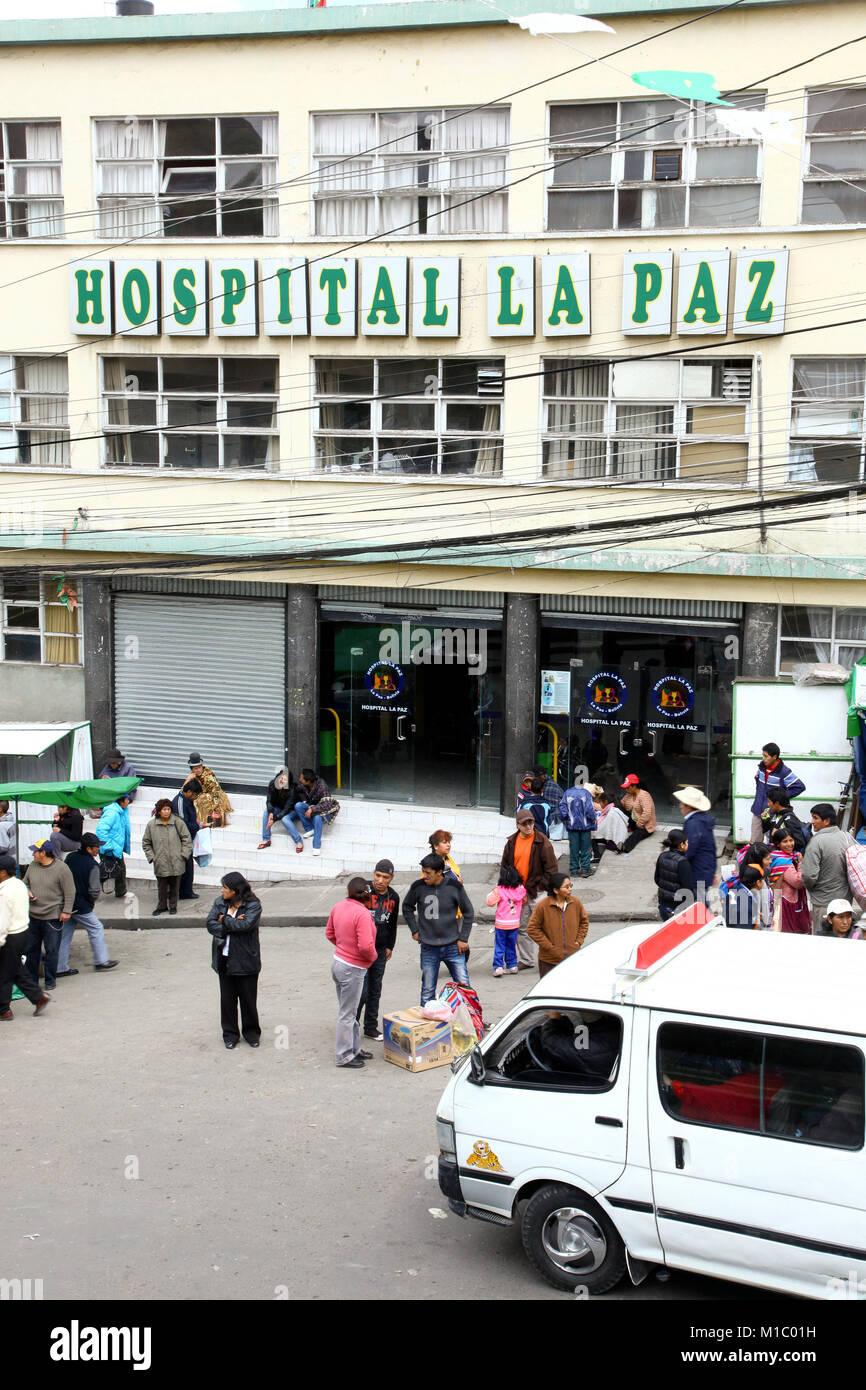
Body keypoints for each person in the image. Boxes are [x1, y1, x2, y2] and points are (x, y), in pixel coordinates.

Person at [403, 854, 475, 1006]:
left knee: (465, 989)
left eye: (428, 873)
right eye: (423, 871)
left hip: (453, 946)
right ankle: (427, 1027)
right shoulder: (418, 886)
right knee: (427, 992)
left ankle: (472, 1022)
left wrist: (463, 939)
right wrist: (414, 930)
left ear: (439, 872)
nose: (425, 876)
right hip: (428, 947)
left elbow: (468, 912)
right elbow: (407, 907)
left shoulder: (454, 887)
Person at [206, 872, 262, 1049]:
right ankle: (230, 1034)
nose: (222, 890)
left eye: (225, 888)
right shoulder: (220, 902)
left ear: (235, 891)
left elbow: (246, 926)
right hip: (224, 959)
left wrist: (225, 920)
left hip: (246, 959)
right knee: (227, 1000)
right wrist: (230, 924)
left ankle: (251, 1033)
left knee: (248, 999)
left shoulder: (253, 905)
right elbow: (210, 923)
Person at [325, 878, 377, 1068]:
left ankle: (354, 1048)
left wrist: (343, 947)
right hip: (352, 967)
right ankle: (344, 1055)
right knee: (348, 1013)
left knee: (350, 1010)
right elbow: (365, 945)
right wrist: (371, 958)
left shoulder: (339, 906)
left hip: (338, 962)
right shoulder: (362, 914)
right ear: (367, 894)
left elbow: (330, 933)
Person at [499, 810, 559, 971]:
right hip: (518, 893)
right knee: (521, 927)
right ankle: (526, 959)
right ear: (518, 825)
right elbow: (505, 867)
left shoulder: (542, 842)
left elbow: (552, 870)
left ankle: (553, 957)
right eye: (524, 823)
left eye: (531, 822)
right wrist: (509, 888)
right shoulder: (512, 842)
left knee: (546, 926)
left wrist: (540, 887)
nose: (528, 826)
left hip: (538, 892)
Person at [56, 832, 119, 976]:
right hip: (81, 904)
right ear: (89, 849)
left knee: (65, 934)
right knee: (96, 928)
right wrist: (91, 902)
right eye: (96, 847)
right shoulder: (93, 865)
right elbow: (95, 890)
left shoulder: (70, 858)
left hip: (67, 902)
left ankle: (60, 967)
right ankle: (101, 961)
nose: (98, 849)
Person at [0, 854, 51, 1019]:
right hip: (23, 932)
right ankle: (39, 997)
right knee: (15, 969)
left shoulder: (4, 892)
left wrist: (0, 940)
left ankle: (4, 1010)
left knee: (4, 974)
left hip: (10, 935)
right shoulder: (19, 885)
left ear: (2, 873)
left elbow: (2, 920)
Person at [356, 859, 400, 1042]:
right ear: (373, 873)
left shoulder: (394, 897)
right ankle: (351, 1024)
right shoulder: (363, 890)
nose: (380, 880)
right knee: (361, 991)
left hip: (380, 950)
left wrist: (390, 946)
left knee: (375, 989)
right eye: (378, 876)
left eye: (385, 877)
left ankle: (370, 1027)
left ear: (391, 878)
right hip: (360, 951)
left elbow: (393, 924)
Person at [23, 838, 75, 991]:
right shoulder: (33, 866)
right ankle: (31, 980)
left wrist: (66, 911)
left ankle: (50, 980)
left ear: (43, 853)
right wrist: (28, 892)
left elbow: (70, 892)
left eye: (35, 852)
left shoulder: (62, 869)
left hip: (53, 917)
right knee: (31, 950)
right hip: (33, 915)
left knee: (52, 950)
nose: (33, 854)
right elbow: (25, 882)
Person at [801, 803, 856, 935]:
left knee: (823, 941)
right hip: (845, 902)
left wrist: (812, 889)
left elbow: (809, 876)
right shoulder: (847, 837)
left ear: (826, 821)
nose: (812, 822)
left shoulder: (817, 841)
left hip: (823, 903)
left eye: (815, 818)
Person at [527, 872, 589, 978]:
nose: (570, 889)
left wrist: (578, 942)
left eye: (570, 886)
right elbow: (532, 928)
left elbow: (584, 922)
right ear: (556, 890)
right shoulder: (542, 906)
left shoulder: (576, 903)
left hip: (572, 958)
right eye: (566, 887)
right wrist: (549, 946)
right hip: (549, 961)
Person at [142, 798, 193, 917]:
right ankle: (162, 906)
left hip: (177, 860)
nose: (166, 812)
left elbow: (187, 839)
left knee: (175, 886)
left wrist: (184, 855)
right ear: (159, 811)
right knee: (162, 886)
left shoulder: (178, 822)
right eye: (164, 809)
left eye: (168, 809)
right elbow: (146, 843)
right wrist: (152, 857)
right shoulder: (151, 825)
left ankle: (173, 906)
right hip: (160, 861)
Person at [750, 742, 805, 844]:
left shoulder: (784, 772)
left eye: (766, 756)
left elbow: (799, 787)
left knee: (773, 842)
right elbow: (758, 783)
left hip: (773, 814)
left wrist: (781, 798)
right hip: (758, 811)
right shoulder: (761, 768)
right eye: (763, 755)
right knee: (754, 843)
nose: (763, 759)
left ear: (775, 757)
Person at [674, 787, 717, 906]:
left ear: (688, 806)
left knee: (699, 906)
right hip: (704, 869)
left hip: (698, 871)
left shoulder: (694, 824)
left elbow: (689, 850)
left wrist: (675, 862)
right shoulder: (701, 820)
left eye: (682, 803)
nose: (680, 806)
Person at [284, 768, 339, 858]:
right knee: (298, 805)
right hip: (312, 808)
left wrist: (313, 809)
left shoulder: (322, 786)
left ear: (308, 781)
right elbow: (296, 788)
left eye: (302, 778)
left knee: (317, 817)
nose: (300, 780)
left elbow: (327, 805)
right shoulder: (305, 785)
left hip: (325, 813)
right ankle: (309, 829)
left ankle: (316, 846)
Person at [769, 827, 811, 934]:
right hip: (787, 902)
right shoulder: (782, 861)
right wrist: (801, 863)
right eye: (785, 841)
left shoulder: (782, 856)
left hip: (782, 898)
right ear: (778, 844)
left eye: (791, 840)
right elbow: (798, 882)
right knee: (790, 931)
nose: (789, 844)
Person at [486, 865, 526, 976]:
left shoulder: (499, 890)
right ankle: (512, 965)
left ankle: (498, 967)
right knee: (511, 945)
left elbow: (489, 902)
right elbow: (525, 899)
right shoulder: (521, 889)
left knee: (500, 945)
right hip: (514, 923)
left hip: (501, 924)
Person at [95, 792, 132, 899]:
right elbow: (101, 830)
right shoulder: (112, 813)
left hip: (115, 848)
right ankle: (91, 891)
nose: (128, 801)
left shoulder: (120, 811)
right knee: (105, 872)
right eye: (127, 800)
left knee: (118, 870)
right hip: (110, 849)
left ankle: (120, 891)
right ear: (121, 801)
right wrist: (108, 847)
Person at [559, 780, 597, 879]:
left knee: (574, 848)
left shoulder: (567, 792)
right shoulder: (586, 793)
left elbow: (562, 807)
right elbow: (589, 809)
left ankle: (574, 870)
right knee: (586, 848)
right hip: (585, 826)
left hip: (572, 826)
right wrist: (593, 819)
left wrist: (565, 818)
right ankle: (585, 869)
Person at [172, 779, 202, 901]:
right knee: (183, 866)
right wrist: (198, 826)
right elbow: (182, 825)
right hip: (181, 840)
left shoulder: (187, 800)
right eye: (195, 795)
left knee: (188, 866)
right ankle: (179, 892)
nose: (196, 798)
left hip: (188, 838)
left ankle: (187, 891)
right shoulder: (179, 802)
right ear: (189, 792)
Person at [184, 753, 233, 829]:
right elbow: (184, 791)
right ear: (192, 769)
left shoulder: (208, 775)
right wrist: (188, 779)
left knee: (199, 799)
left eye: (199, 767)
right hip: (202, 795)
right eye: (195, 768)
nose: (198, 770)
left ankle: (203, 822)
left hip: (215, 796)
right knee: (193, 798)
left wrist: (216, 808)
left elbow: (215, 791)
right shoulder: (193, 776)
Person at [654, 830, 694, 921]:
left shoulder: (662, 856)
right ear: (681, 845)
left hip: (663, 905)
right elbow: (687, 889)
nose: (689, 844)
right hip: (678, 908)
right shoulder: (683, 862)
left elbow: (657, 879)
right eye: (687, 842)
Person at [258, 767, 298, 850]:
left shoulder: (291, 789)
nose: (282, 780)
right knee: (266, 812)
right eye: (281, 777)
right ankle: (266, 839)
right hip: (279, 808)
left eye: (285, 779)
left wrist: (274, 819)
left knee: (284, 819)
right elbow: (269, 801)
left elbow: (287, 809)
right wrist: (271, 812)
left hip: (291, 810)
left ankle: (298, 841)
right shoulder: (272, 784)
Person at [619, 774, 657, 855]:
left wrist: (640, 823)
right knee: (617, 808)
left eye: (628, 787)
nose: (626, 790)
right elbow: (624, 804)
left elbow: (647, 813)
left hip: (644, 825)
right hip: (634, 820)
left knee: (637, 835)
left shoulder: (644, 795)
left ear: (634, 786)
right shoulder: (629, 794)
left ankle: (625, 847)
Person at [591, 790, 629, 862]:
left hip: (616, 843)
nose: (599, 804)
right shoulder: (614, 808)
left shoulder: (612, 812)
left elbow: (602, 829)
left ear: (605, 801)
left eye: (600, 802)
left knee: (591, 835)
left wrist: (592, 830)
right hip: (621, 839)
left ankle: (597, 856)